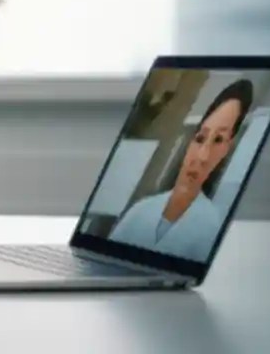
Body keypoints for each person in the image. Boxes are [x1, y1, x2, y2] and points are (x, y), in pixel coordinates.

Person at [108, 79, 254, 261]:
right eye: (200, 138)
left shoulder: (212, 227)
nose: (202, 156)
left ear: (225, 151)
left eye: (218, 140)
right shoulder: (140, 210)